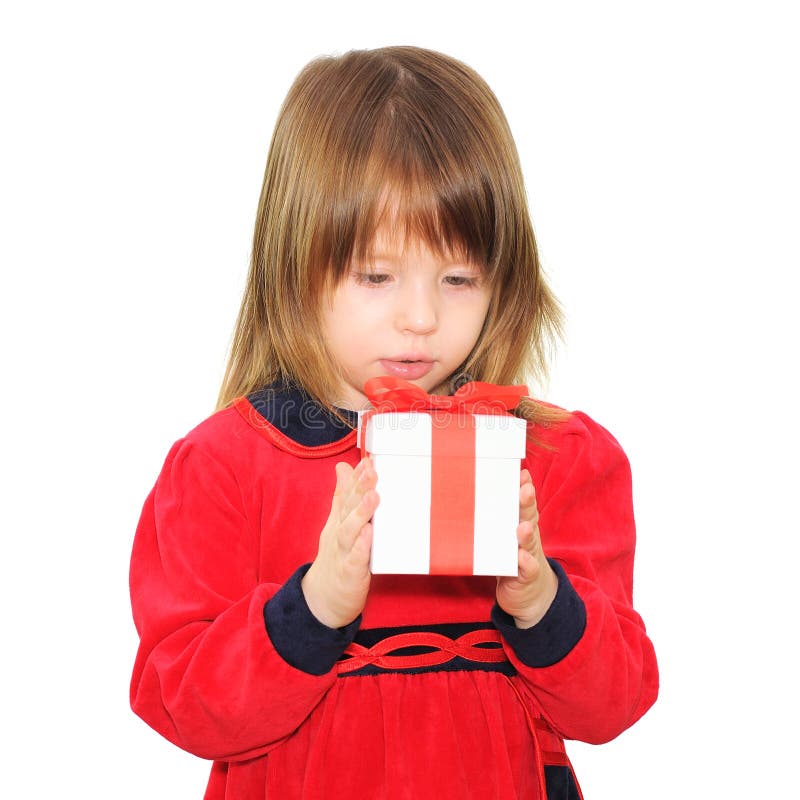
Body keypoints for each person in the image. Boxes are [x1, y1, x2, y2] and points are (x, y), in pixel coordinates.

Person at [129, 46, 658, 800]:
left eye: (459, 277)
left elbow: (615, 705)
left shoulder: (556, 455)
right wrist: (314, 607)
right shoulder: (223, 465)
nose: (421, 317)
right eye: (376, 276)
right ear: (293, 264)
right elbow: (179, 702)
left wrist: (542, 600)